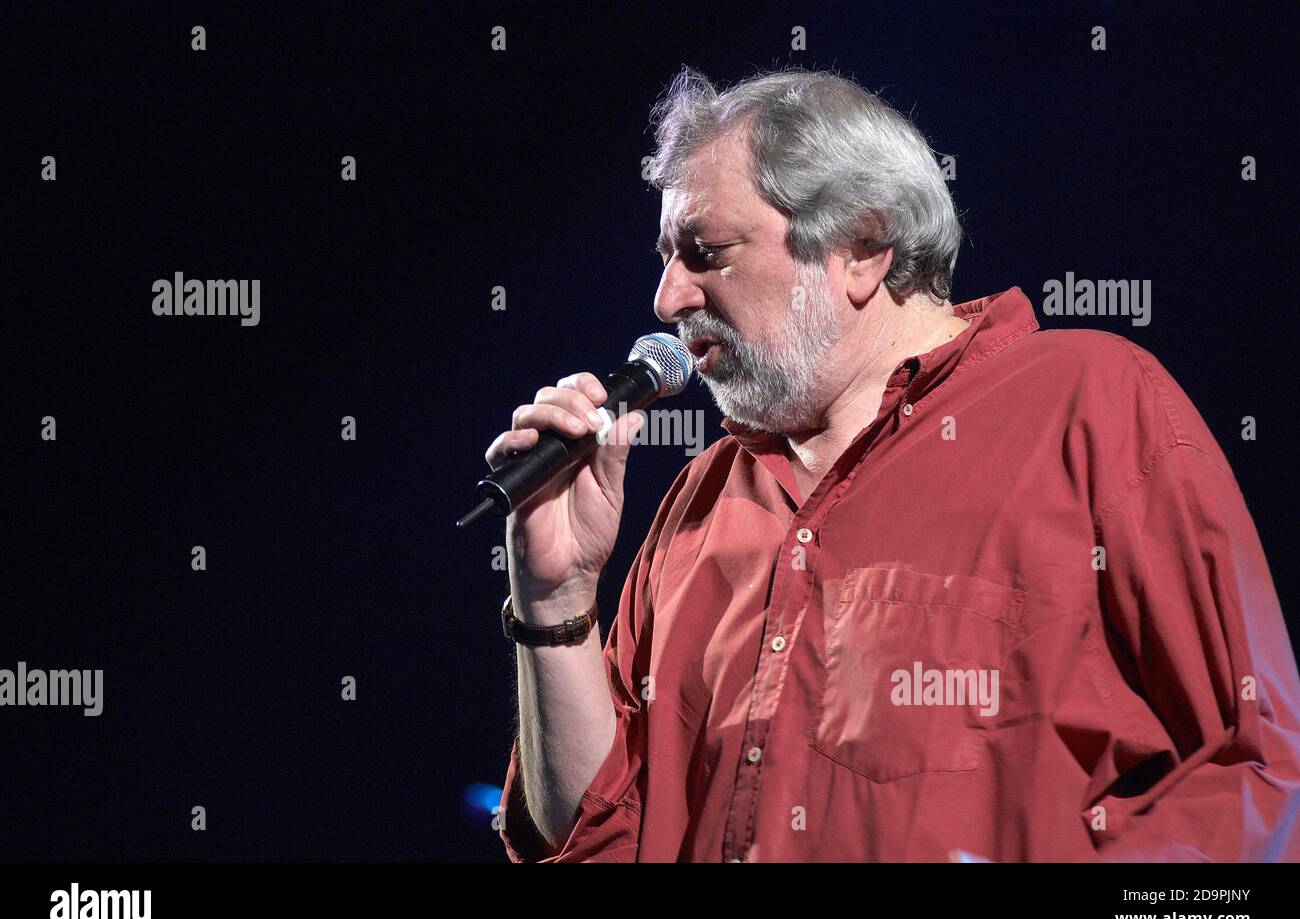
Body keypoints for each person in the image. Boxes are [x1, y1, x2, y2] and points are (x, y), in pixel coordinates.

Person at [486, 66, 1300, 862]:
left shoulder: (1091, 406)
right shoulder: (698, 501)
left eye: (706, 250)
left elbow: (1262, 782)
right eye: (666, 255)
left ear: (862, 250)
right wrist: (556, 601)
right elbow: (589, 835)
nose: (667, 298)